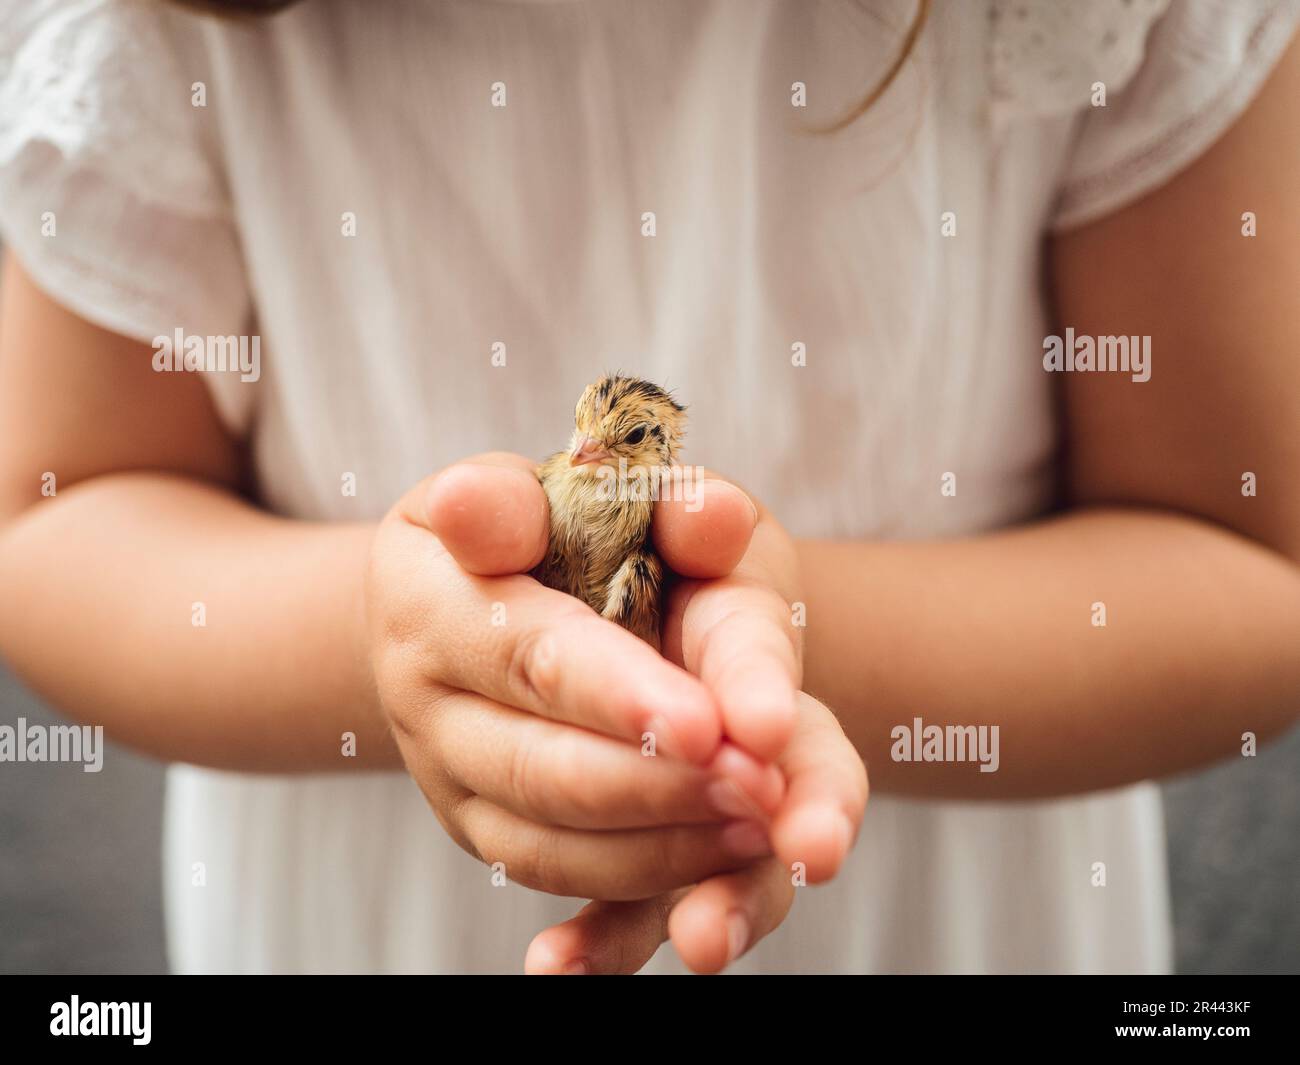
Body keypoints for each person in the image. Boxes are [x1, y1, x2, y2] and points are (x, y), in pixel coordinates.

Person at [0, 0, 1297, 974]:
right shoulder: (163, 29)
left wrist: (783, 648)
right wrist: (391, 642)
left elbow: (1253, 560)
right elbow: (58, 511)